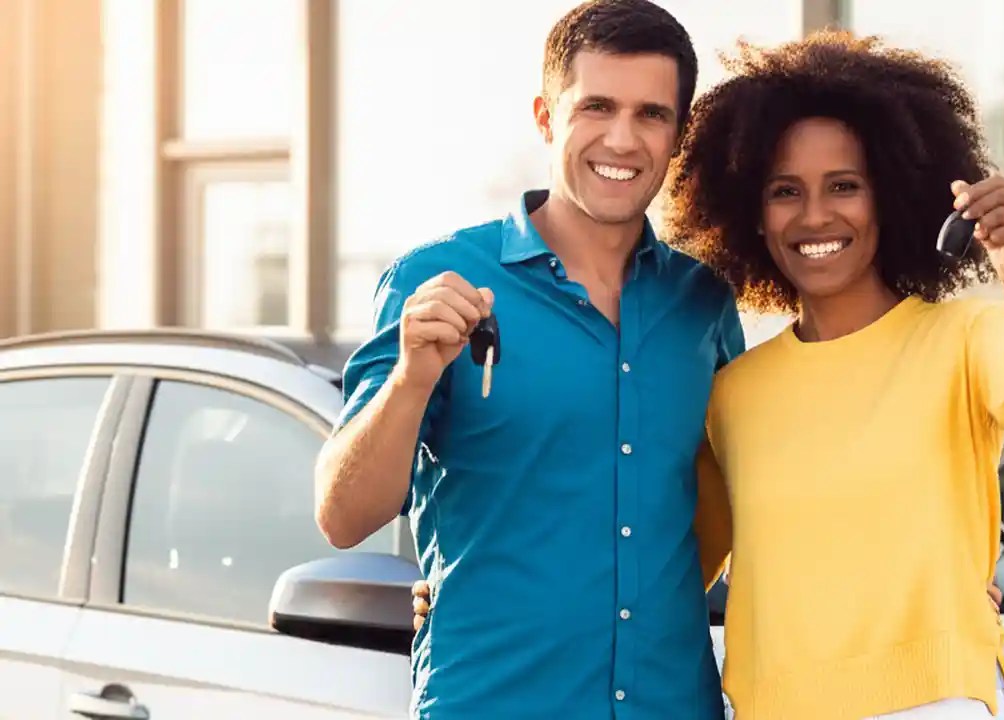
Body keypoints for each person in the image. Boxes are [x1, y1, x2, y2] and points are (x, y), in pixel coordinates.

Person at [315, 2, 740, 717]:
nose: (622, 138)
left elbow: (760, 492)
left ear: (679, 134)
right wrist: (413, 376)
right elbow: (342, 516)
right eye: (596, 106)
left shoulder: (702, 304)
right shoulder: (438, 279)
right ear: (546, 116)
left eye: (651, 114)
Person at [661, 31, 1004, 719]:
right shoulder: (733, 393)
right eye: (784, 191)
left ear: (890, 196)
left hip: (934, 702)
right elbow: (675, 564)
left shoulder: (961, 339)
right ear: (752, 217)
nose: (815, 215)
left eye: (845, 186)